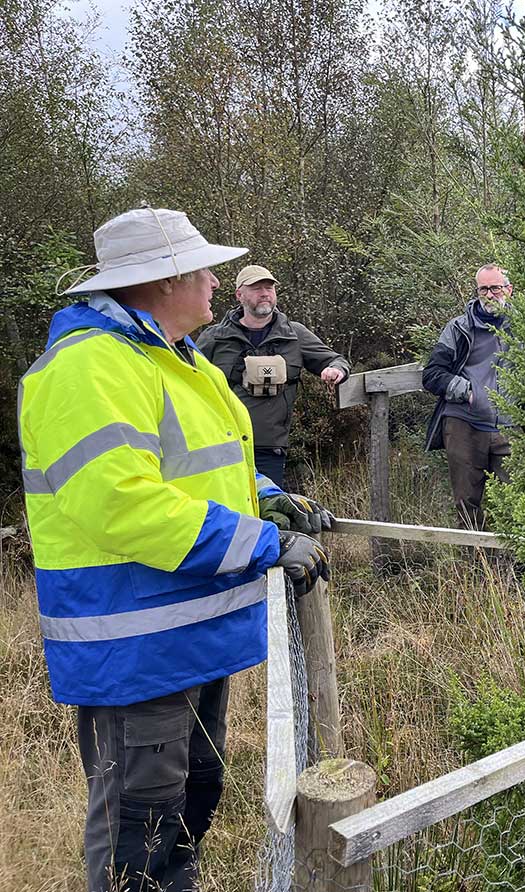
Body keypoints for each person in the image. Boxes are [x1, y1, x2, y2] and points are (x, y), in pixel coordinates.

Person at [19, 207, 332, 891]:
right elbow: (122, 503)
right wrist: (262, 541)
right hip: (136, 646)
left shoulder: (171, 359)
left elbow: (200, 469)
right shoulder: (90, 367)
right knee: (142, 830)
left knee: (189, 805)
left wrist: (263, 495)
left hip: (186, 633)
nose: (218, 283)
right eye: (204, 269)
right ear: (163, 281)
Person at [196, 264, 350, 487]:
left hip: (270, 449)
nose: (265, 293)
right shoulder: (215, 338)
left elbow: (335, 360)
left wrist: (335, 370)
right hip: (223, 446)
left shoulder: (295, 334)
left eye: (269, 288)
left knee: (267, 514)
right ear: (239, 294)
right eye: (256, 288)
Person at [423, 264, 513, 530]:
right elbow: (432, 374)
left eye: (495, 287)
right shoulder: (459, 328)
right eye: (483, 288)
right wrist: (467, 391)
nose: (489, 295)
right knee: (466, 503)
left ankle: (512, 567)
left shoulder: (524, 328)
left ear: (509, 289)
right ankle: (474, 566)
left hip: (511, 426)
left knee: (515, 500)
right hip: (465, 424)